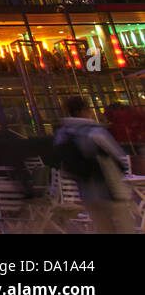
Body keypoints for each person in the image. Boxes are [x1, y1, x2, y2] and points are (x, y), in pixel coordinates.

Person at [54, 96, 134, 233]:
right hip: (111, 189)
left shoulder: (62, 134)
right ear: (83, 111)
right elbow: (119, 157)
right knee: (125, 227)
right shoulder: (95, 131)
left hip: (86, 192)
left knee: (103, 229)